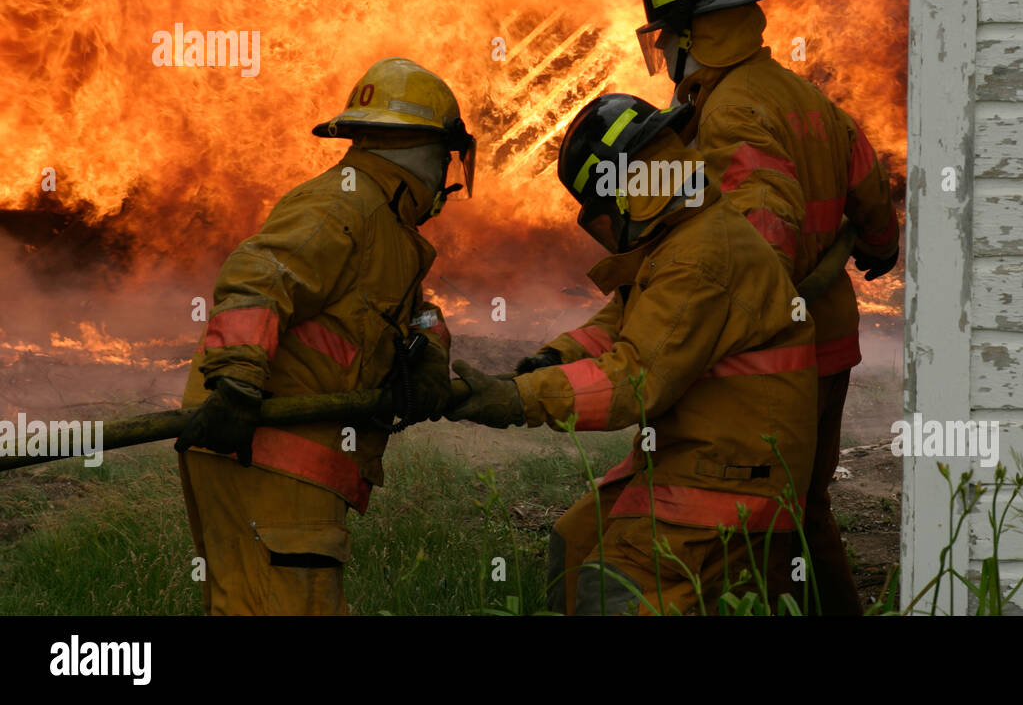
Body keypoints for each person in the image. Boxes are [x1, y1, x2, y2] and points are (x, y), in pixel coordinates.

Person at [447, 93, 818, 615]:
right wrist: (547, 364)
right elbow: (626, 322)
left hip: (732, 473)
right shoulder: (687, 232)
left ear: (625, 193)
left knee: (615, 586)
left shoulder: (699, 258)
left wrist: (521, 401)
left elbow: (635, 380)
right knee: (574, 543)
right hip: (701, 456)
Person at [634, 0, 900, 615]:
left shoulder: (729, 111)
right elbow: (866, 179)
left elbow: (762, 236)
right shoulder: (799, 93)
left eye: (667, 40)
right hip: (830, 335)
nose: (664, 55)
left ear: (693, 33)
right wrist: (877, 243)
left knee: (769, 508)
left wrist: (709, 319)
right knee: (806, 505)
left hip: (777, 351)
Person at [174, 57, 474, 615]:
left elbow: (402, 315)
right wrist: (236, 383)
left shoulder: (383, 222)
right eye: (447, 159)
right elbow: (259, 276)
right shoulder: (341, 203)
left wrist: (430, 352)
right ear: (433, 151)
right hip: (260, 444)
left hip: (288, 456)